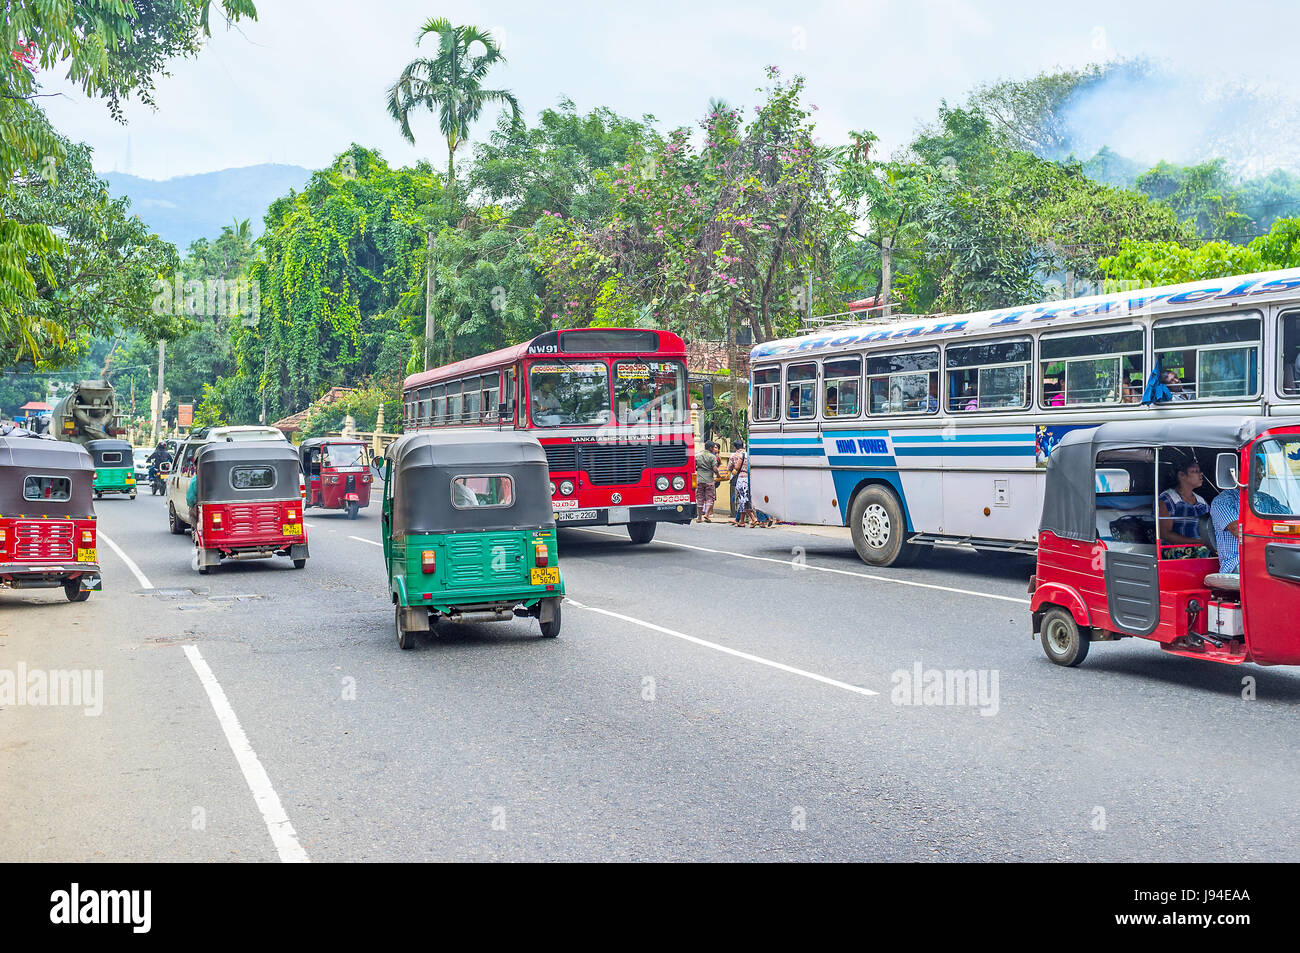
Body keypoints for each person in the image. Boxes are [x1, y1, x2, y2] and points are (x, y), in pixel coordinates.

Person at [1158, 458, 1210, 555]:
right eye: (1195, 471)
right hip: (1174, 551)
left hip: (1200, 549)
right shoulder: (1167, 500)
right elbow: (1165, 534)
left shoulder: (1201, 502)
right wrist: (1197, 542)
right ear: (1181, 475)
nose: (1200, 474)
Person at [695, 440, 720, 523]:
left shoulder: (697, 455)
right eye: (713, 447)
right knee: (710, 498)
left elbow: (694, 466)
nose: (714, 449)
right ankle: (706, 514)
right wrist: (718, 475)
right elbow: (715, 468)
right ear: (710, 448)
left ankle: (699, 517)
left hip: (700, 480)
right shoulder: (712, 457)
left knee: (700, 498)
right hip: (709, 480)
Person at [729, 443, 752, 526]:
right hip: (751, 479)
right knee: (746, 498)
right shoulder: (751, 455)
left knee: (742, 499)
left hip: (741, 478)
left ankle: (753, 518)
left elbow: (734, 468)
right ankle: (741, 521)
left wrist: (734, 469)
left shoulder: (738, 455)